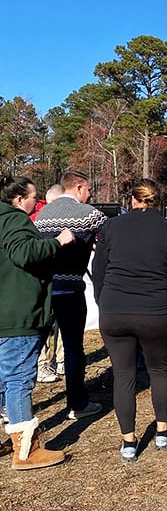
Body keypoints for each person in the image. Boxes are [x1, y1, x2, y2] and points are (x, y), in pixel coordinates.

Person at [92, 179, 167, 462]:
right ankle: (161, 431)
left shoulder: (110, 227)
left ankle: (129, 441)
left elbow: (98, 271)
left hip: (115, 309)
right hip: (155, 310)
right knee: (159, 370)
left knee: (123, 375)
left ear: (132, 200)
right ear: (157, 201)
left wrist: (104, 302)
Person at [0, 175, 74, 470]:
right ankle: (26, 450)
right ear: (19, 200)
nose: (36, 202)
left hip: (5, 311)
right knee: (18, 379)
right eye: (32, 197)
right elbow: (23, 253)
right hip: (19, 313)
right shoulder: (16, 221)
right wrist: (57, 242)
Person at [34, 170, 108, 419]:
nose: (90, 195)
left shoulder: (43, 214)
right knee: (74, 348)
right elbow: (112, 234)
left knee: (33, 347)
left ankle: (11, 404)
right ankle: (77, 403)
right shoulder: (88, 214)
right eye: (88, 190)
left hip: (44, 291)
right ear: (78, 188)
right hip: (71, 290)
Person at [34, 184, 65, 383]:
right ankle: (43, 363)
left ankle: (61, 359)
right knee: (44, 323)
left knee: (62, 322)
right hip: (43, 279)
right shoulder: (36, 218)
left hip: (62, 278)